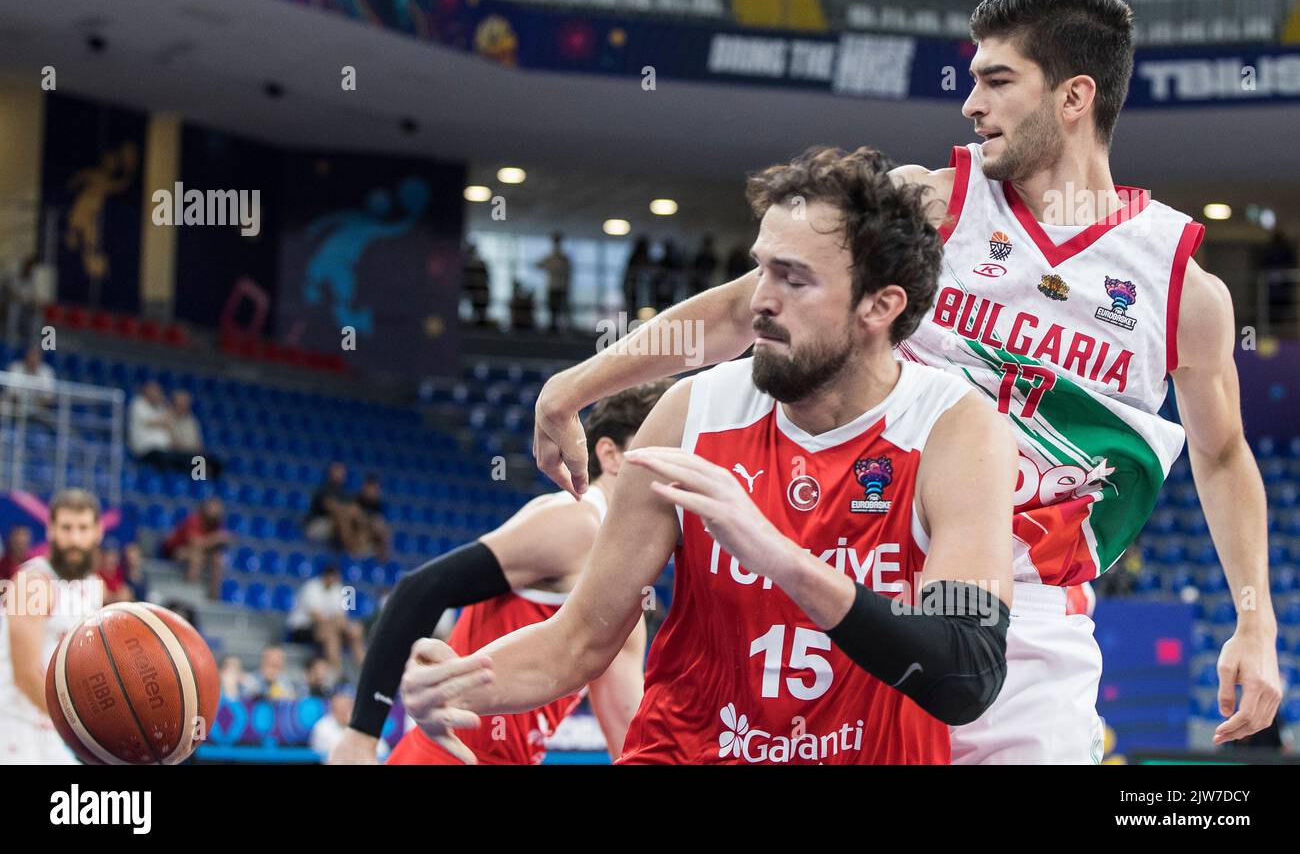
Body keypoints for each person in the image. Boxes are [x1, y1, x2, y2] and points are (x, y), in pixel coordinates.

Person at [527, 0, 1282, 761]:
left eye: (997, 81)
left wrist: (1254, 621)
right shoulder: (929, 203)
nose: (970, 103)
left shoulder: (1181, 284)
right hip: (874, 593)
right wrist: (578, 386)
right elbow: (741, 311)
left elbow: (1222, 455)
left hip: (1030, 624)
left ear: (1074, 96)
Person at [398, 148, 1016, 764]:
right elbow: (578, 642)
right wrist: (459, 683)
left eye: (793, 279)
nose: (759, 301)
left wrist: (779, 558)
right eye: (761, 270)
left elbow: (965, 674)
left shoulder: (957, 430)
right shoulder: (692, 412)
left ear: (880, 306)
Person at [329, 382, 669, 766]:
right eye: (666, 447)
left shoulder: (628, 582)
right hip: (444, 757)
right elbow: (421, 589)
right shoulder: (576, 522)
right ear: (612, 455)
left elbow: (627, 733)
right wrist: (362, 733)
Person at [0, 488, 106, 763]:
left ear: (98, 532)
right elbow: (25, 675)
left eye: (83, 528)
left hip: (51, 728)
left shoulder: (94, 586)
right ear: (50, 530)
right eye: (66, 528)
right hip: (12, 722)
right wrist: (85, 724)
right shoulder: (33, 582)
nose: (74, 538)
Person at [286, 564, 365, 674]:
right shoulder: (311, 587)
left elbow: (342, 617)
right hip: (302, 629)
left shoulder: (338, 589)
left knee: (354, 631)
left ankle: (364, 669)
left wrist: (347, 627)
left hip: (328, 628)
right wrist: (337, 623)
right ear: (326, 576)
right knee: (330, 633)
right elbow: (316, 617)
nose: (336, 581)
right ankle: (337, 672)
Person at [163, 497, 231, 600]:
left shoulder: (217, 524)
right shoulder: (194, 520)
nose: (215, 510)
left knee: (218, 559)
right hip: (176, 550)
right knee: (196, 557)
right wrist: (216, 538)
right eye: (213, 507)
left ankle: (214, 594)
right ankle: (189, 592)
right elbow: (195, 543)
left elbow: (224, 541)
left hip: (201, 552)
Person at [304, 462, 365, 554]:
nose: (339, 474)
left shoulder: (345, 494)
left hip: (337, 527)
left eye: (342, 472)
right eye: (337, 471)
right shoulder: (323, 490)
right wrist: (347, 510)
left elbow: (355, 510)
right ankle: (352, 553)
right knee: (341, 518)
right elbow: (332, 508)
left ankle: (360, 552)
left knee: (362, 521)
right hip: (317, 525)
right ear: (330, 473)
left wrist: (350, 511)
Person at [168, 390, 221, 479]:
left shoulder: (191, 420)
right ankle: (192, 484)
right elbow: (173, 441)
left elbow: (198, 442)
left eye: (186, 403)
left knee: (216, 464)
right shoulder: (168, 417)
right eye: (181, 403)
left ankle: (203, 486)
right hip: (177, 453)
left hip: (191, 452)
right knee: (195, 461)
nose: (184, 406)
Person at [2, 345, 56, 423]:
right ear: (26, 357)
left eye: (36, 356)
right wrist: (24, 401)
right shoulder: (16, 367)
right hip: (16, 405)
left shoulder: (46, 371)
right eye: (31, 355)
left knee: (54, 418)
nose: (33, 359)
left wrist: (35, 404)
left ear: (40, 359)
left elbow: (48, 397)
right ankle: (4, 432)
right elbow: (12, 393)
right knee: (4, 407)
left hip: (38, 408)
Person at [536, 233, 572, 331]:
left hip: (560, 287)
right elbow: (539, 265)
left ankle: (562, 327)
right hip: (554, 287)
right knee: (553, 309)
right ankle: (554, 326)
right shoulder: (553, 258)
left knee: (559, 309)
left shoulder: (563, 259)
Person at [355, 474, 390, 560]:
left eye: (377, 489)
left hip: (372, 532)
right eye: (373, 488)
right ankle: (359, 557)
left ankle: (384, 561)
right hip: (357, 531)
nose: (375, 491)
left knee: (384, 529)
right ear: (365, 487)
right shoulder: (356, 500)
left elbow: (379, 521)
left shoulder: (377, 505)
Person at [462, 243, 492, 327]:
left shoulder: (480, 263)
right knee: (477, 312)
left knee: (481, 313)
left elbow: (486, 277)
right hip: (475, 292)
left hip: (481, 291)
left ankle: (481, 324)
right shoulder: (468, 264)